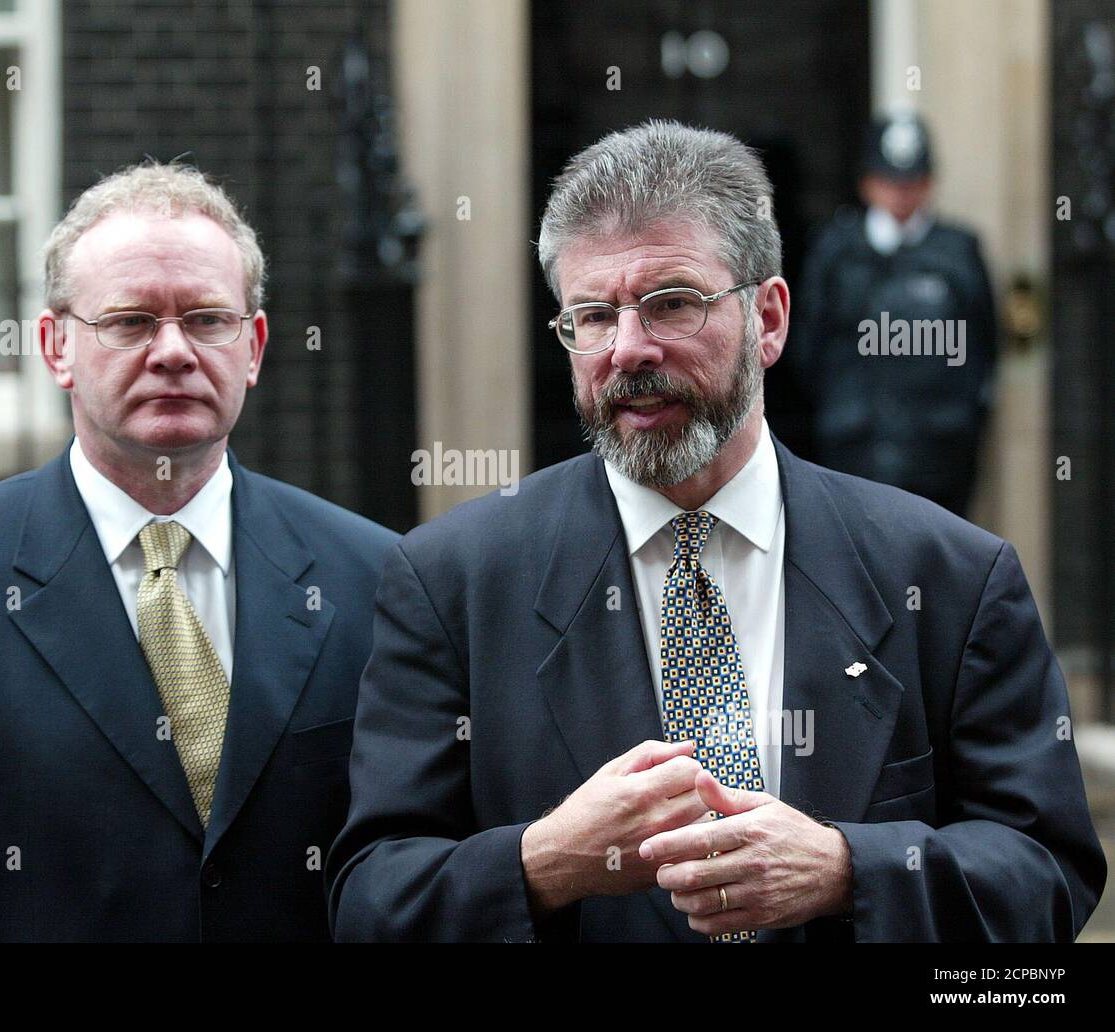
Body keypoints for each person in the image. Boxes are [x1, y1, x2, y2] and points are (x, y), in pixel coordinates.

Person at [326, 121, 1106, 942]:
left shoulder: (950, 576)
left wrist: (851, 870)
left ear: (768, 319)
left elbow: (1046, 872)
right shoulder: (452, 581)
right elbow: (373, 901)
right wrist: (545, 863)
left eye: (672, 303)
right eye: (592, 315)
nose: (628, 349)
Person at [0, 161, 396, 941]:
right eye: (130, 321)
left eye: (206, 319)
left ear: (254, 347)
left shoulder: (374, 575)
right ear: (56, 346)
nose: (172, 351)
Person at [791, 111, 997, 516]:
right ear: (867, 183)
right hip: (854, 453)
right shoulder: (835, 251)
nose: (901, 194)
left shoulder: (959, 252)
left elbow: (983, 350)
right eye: (890, 182)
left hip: (938, 458)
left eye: (912, 182)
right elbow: (807, 348)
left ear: (929, 183)